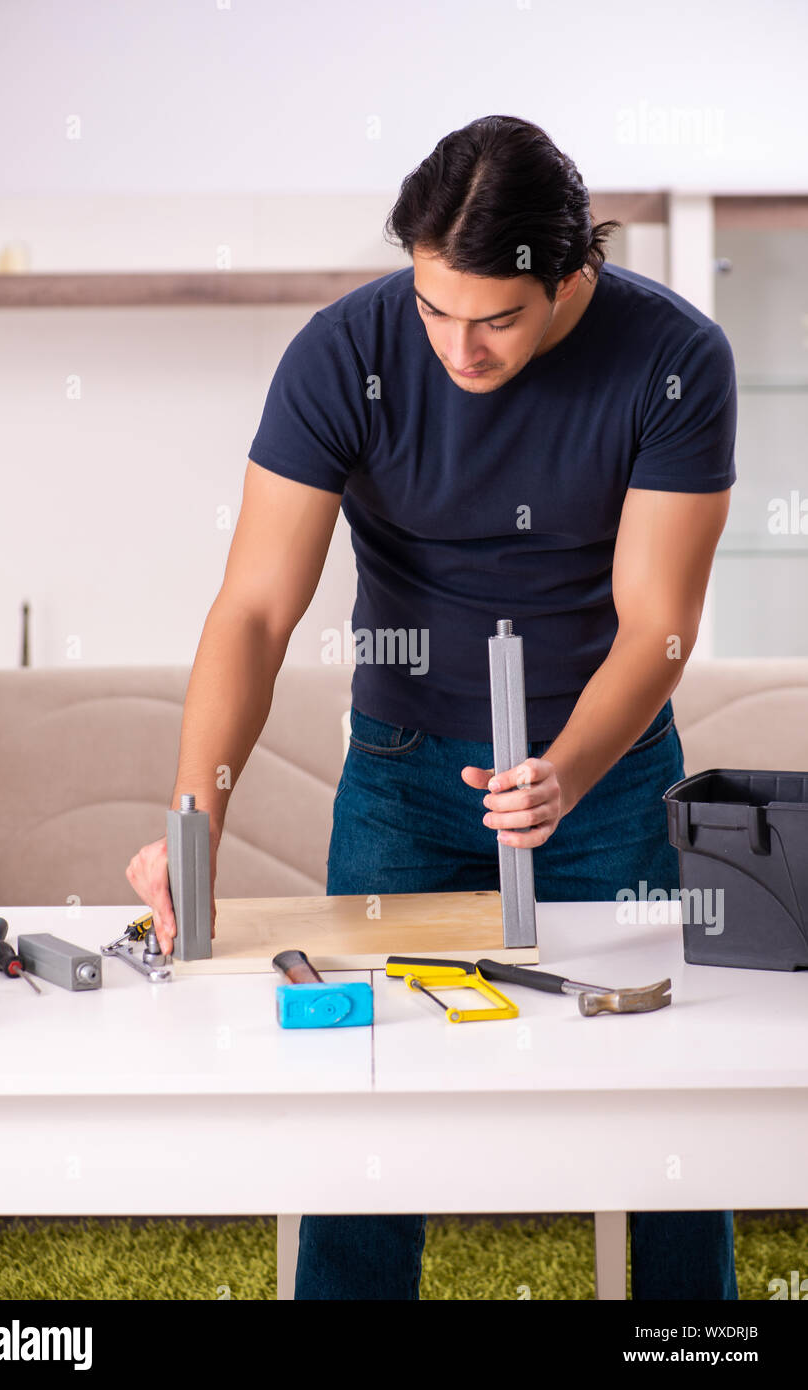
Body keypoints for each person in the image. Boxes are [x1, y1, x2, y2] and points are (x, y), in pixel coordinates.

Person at [126, 114, 738, 1301]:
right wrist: (192, 822)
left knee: (668, 1083)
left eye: (496, 318)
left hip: (602, 780)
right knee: (364, 1088)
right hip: (402, 776)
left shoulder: (675, 360)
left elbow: (660, 619)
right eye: (434, 309)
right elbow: (255, 609)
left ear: (570, 275)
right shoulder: (341, 352)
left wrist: (563, 767)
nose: (458, 347)